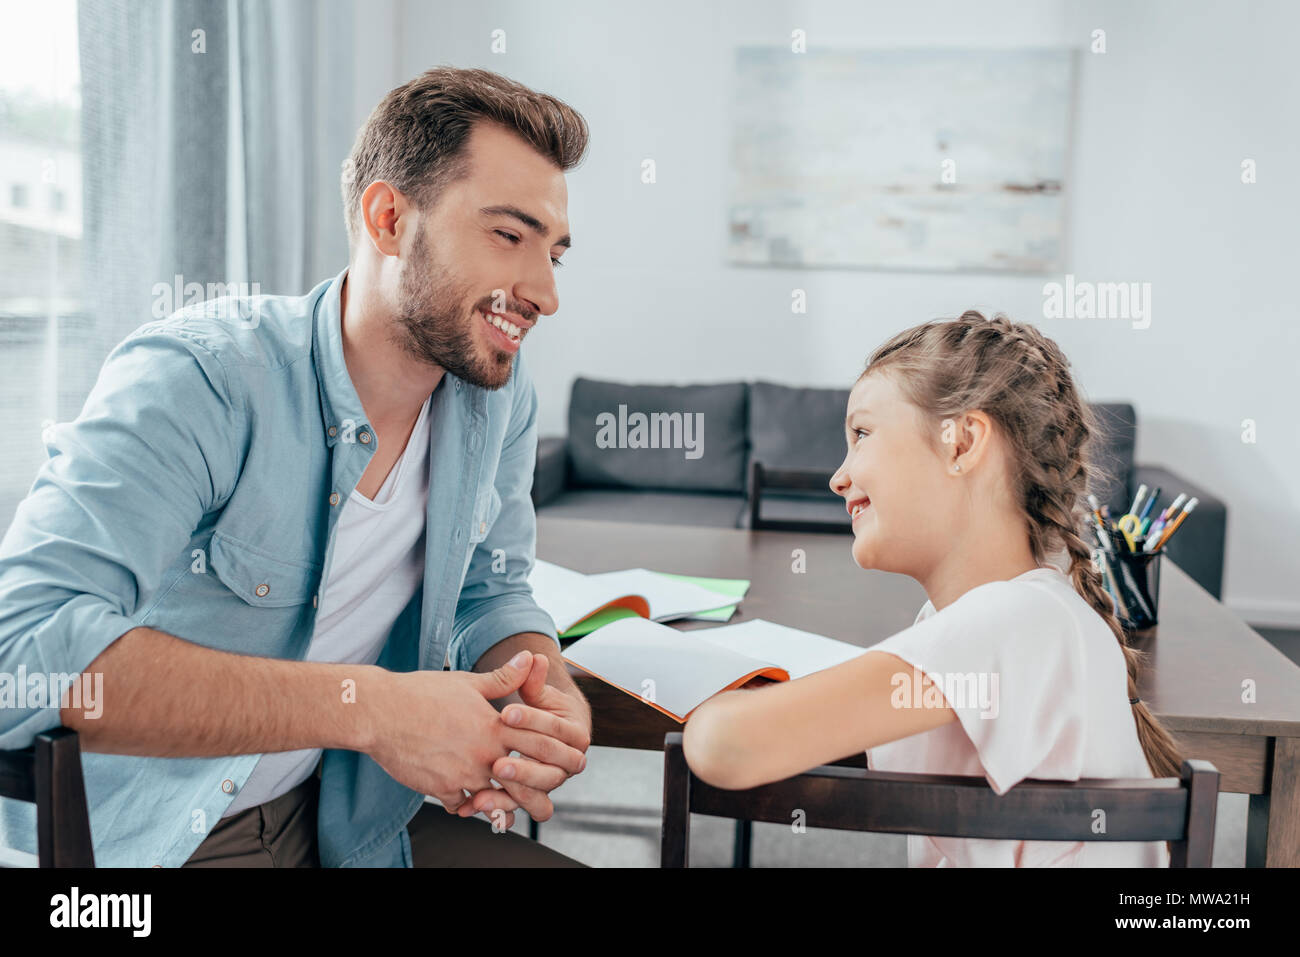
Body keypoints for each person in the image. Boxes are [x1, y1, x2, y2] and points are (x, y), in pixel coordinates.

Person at [0, 67, 593, 867]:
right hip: (151, 847)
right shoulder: (203, 378)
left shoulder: (495, 392)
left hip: (348, 825)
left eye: (553, 252)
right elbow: (22, 653)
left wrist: (537, 688)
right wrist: (374, 710)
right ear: (388, 218)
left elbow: (491, 586)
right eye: (509, 236)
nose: (545, 293)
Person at [683, 311, 1182, 867]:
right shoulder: (1022, 616)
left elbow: (721, 746)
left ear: (962, 441)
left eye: (862, 434)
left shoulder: (1012, 621)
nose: (837, 476)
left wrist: (713, 689)